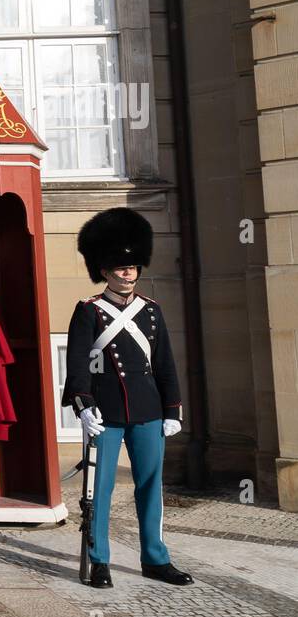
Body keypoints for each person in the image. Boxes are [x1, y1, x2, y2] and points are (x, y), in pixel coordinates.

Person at [62, 207, 193, 589]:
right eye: (120, 267)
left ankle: (155, 558)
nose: (127, 272)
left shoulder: (151, 312)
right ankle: (100, 560)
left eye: (132, 266)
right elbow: (77, 365)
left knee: (151, 486)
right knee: (98, 490)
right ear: (104, 270)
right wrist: (83, 406)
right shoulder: (88, 312)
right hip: (105, 413)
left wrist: (172, 410)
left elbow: (165, 363)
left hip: (148, 411)